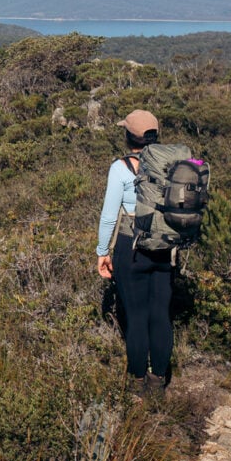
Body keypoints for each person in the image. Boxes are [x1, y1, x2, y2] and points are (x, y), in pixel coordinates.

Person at [96, 109, 173, 396]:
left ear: (128, 137)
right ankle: (158, 383)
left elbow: (108, 216)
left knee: (137, 317)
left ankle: (137, 383)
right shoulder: (172, 164)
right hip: (164, 248)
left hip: (132, 247)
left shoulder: (121, 168)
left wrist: (103, 251)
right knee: (160, 316)